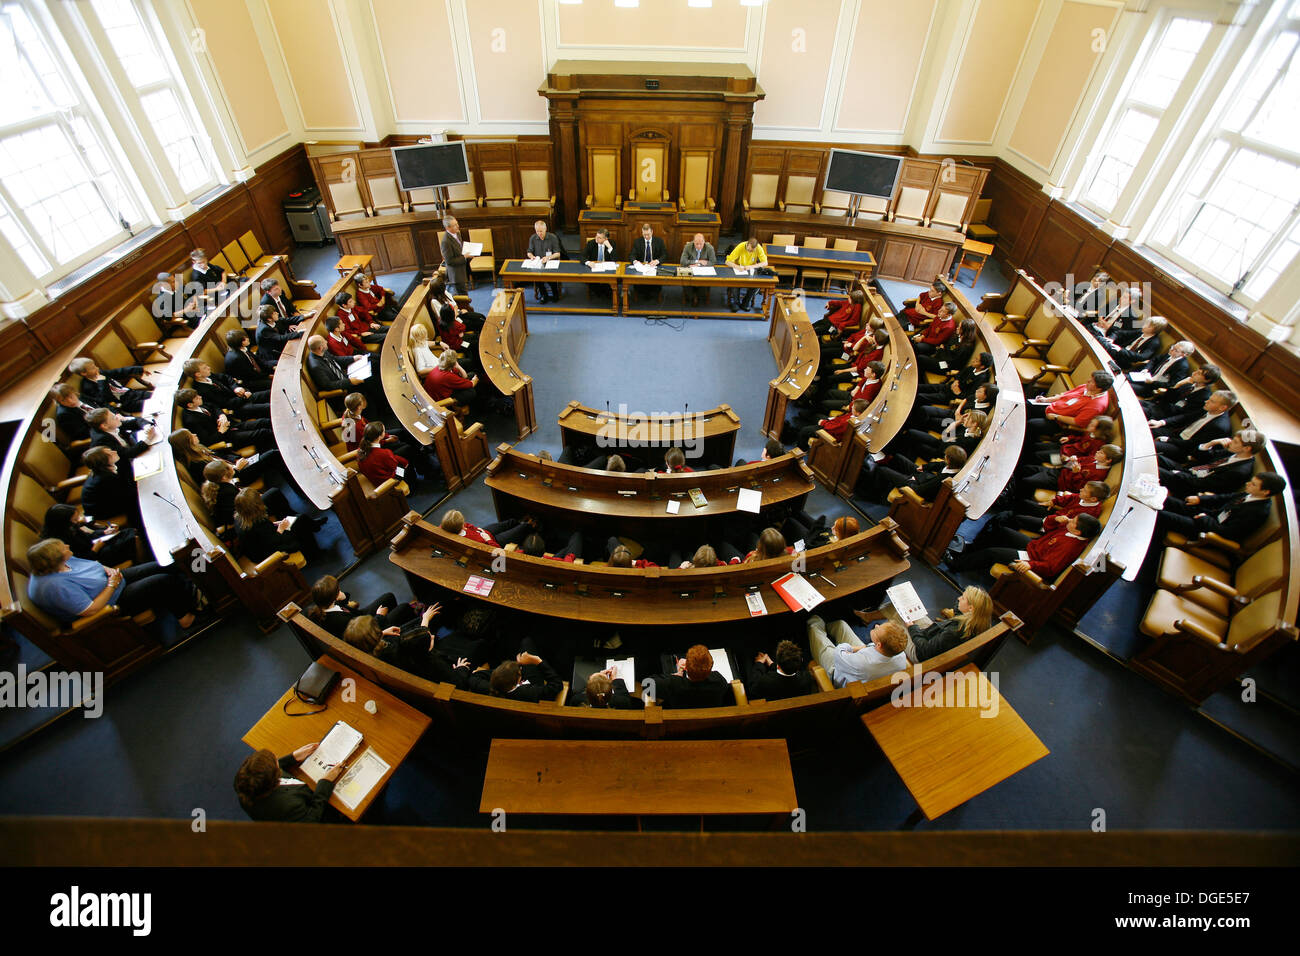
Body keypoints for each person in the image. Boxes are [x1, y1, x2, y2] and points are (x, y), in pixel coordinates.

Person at [25, 538, 200, 628]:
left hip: (112, 580)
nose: (67, 546)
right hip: (112, 602)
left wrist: (108, 570)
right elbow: (90, 610)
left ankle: (192, 594)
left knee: (164, 564)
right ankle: (184, 617)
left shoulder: (61, 561)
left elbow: (92, 564)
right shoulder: (54, 587)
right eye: (63, 547)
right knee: (163, 581)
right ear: (56, 558)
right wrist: (111, 585)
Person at [947, 512, 1101, 579]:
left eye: (1073, 521)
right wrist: (1056, 519)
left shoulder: (1069, 547)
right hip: (1035, 547)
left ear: (1078, 532)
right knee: (1001, 532)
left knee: (992, 553)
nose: (1070, 520)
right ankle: (968, 550)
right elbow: (1048, 526)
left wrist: (1030, 565)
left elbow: (1050, 567)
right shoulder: (1069, 529)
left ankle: (956, 564)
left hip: (1031, 559)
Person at [342, 611, 474, 687]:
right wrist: (461, 669)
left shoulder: (370, 659)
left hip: (420, 666)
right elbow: (456, 682)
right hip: (443, 672)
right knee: (479, 645)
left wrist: (382, 633)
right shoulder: (409, 653)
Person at [1155, 473, 1284, 543]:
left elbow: (1229, 532)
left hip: (1210, 530)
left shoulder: (1258, 512)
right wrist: (1200, 499)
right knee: (1167, 500)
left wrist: (1204, 519)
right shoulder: (1250, 493)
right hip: (1211, 515)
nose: (1247, 484)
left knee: (1161, 516)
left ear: (1266, 492)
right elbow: (1224, 498)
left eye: (1253, 484)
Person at [234, 744, 342, 823]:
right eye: (276, 761)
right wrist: (325, 783)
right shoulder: (288, 806)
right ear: (274, 781)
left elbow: (266, 771)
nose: (277, 758)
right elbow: (312, 818)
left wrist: (293, 757)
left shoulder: (245, 784)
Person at [807, 615, 908, 687]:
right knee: (841, 625)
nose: (876, 625)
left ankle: (815, 620)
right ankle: (829, 624)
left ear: (879, 644)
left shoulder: (860, 663)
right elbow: (869, 647)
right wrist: (861, 648)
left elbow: (839, 652)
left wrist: (853, 649)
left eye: (878, 629)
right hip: (864, 665)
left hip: (838, 673)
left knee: (814, 628)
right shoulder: (900, 655)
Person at [305, 574, 417, 639]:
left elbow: (347, 604)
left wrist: (342, 597)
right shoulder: (339, 620)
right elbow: (362, 631)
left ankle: (398, 623)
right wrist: (379, 616)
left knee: (388, 597)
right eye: (338, 590)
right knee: (404, 608)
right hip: (368, 630)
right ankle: (410, 630)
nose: (340, 590)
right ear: (332, 597)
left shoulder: (325, 605)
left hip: (360, 616)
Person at [1159, 430, 1263, 498]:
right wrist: (1212, 443)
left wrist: (1178, 474)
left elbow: (1205, 484)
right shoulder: (1232, 451)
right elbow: (1201, 456)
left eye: (1235, 442)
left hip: (1192, 486)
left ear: (1247, 448)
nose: (1230, 442)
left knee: (1157, 470)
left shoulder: (1239, 471)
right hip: (1190, 471)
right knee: (1157, 458)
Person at [905, 586, 993, 663]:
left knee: (892, 611)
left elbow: (926, 649)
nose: (959, 598)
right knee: (909, 611)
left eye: (963, 598)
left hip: (919, 652)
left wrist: (912, 628)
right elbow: (957, 610)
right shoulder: (976, 624)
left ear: (970, 608)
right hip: (932, 635)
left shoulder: (954, 632)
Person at [232, 488, 318, 563]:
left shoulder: (240, 517)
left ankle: (312, 525)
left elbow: (263, 534)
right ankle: (314, 553)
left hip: (261, 543)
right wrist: (281, 529)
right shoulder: (257, 524)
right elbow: (273, 541)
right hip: (266, 552)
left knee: (299, 520)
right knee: (300, 520)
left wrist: (274, 524)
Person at [40, 503, 141, 567]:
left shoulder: (71, 527)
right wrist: (95, 549)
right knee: (132, 539)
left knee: (130, 531)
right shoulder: (59, 542)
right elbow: (79, 562)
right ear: (64, 523)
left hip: (95, 546)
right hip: (94, 559)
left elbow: (88, 536)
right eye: (75, 520)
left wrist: (105, 532)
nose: (78, 521)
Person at [177, 387, 273, 451]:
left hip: (232, 425)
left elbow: (214, 407)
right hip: (227, 437)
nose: (200, 397)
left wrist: (221, 415)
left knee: (263, 421)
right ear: (190, 405)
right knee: (263, 432)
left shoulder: (200, 404)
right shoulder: (191, 421)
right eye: (197, 398)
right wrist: (221, 431)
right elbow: (207, 441)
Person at [1025, 370, 1113, 438]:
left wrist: (1056, 416)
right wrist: (1046, 400)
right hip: (1052, 407)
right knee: (1026, 406)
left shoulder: (1096, 406)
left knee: (1030, 424)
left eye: (1092, 381)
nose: (1088, 381)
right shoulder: (1087, 387)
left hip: (1058, 422)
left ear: (1099, 389)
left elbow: (1077, 422)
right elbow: (1064, 395)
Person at [472, 641, 562, 702]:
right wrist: (538, 661)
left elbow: (475, 676)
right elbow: (557, 685)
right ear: (519, 679)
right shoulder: (529, 693)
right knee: (527, 642)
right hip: (530, 686)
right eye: (520, 670)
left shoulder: (487, 687)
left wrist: (501, 674)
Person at [1151, 389, 1235, 455]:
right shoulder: (1209, 407)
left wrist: (1168, 440)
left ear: (1222, 407)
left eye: (1212, 401)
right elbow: (1185, 417)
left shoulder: (1219, 426)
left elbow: (1192, 444)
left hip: (1185, 449)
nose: (1206, 401)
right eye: (1209, 399)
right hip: (1178, 435)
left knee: (1151, 446)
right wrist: (1161, 422)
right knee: (1148, 430)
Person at [646, 645, 731, 709]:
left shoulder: (673, 684)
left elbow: (647, 685)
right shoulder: (719, 681)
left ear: (686, 668)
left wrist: (676, 675)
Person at [183, 360, 271, 418]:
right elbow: (225, 403)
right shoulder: (202, 390)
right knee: (268, 407)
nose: (209, 368)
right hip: (237, 407)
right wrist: (243, 397)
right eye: (205, 368)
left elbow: (226, 377)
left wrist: (235, 388)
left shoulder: (209, 375)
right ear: (198, 374)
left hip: (240, 396)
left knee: (269, 393)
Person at [80, 446, 141, 526]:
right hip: (104, 511)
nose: (115, 451)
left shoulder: (103, 470)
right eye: (110, 453)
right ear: (104, 461)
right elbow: (127, 496)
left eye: (111, 450)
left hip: (108, 501)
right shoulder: (105, 478)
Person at [69, 357, 151, 413]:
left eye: (95, 366)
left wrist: (140, 369)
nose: (97, 368)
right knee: (153, 404)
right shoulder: (87, 387)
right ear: (84, 373)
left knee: (157, 396)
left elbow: (117, 372)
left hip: (131, 393)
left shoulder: (100, 372)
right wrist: (101, 382)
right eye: (93, 368)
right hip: (125, 403)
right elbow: (104, 399)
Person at [747, 640, 817, 701]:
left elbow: (753, 688)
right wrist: (771, 663)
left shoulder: (766, 682)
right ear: (801, 660)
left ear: (778, 663)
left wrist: (759, 663)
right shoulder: (807, 679)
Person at [87, 408, 156, 463]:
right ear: (104, 426)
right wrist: (148, 439)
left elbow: (135, 421)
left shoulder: (111, 424)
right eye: (113, 417)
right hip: (127, 465)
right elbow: (128, 453)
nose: (117, 417)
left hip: (133, 447)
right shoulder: (102, 440)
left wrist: (146, 427)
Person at [438, 509, 532, 547]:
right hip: (493, 541)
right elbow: (496, 549)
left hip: (484, 532)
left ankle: (521, 522)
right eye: (462, 523)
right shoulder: (468, 542)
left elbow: (468, 525)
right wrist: (487, 539)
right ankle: (531, 525)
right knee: (523, 528)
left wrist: (476, 529)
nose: (464, 524)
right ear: (459, 527)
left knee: (510, 522)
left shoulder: (446, 526)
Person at [724, 236, 768, 312]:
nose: (750, 252)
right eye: (749, 250)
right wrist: (737, 267)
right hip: (739, 270)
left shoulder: (758, 248)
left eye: (752, 251)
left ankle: (746, 301)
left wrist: (752, 266)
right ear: (747, 245)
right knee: (735, 283)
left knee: (757, 285)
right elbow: (727, 262)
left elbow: (765, 262)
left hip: (751, 271)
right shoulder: (741, 246)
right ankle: (736, 302)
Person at [526, 219, 564, 302]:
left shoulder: (553, 237)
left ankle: (555, 293)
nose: (539, 233)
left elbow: (558, 253)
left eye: (541, 231)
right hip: (538, 263)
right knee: (538, 278)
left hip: (550, 261)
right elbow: (529, 252)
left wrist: (548, 258)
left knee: (550, 277)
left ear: (545, 229)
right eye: (537, 231)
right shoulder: (533, 238)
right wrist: (532, 257)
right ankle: (544, 295)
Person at [679, 233, 717, 308]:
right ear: (693, 242)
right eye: (697, 244)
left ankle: (698, 297)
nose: (699, 246)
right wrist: (697, 262)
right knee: (685, 281)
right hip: (691, 270)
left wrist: (700, 265)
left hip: (703, 271)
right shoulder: (688, 247)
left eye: (701, 244)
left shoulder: (709, 248)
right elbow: (682, 262)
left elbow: (713, 262)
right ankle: (692, 297)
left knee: (703, 284)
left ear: (704, 242)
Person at [579, 669, 645, 710]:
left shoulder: (577, 701)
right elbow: (624, 697)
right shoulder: (622, 703)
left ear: (586, 692)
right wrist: (615, 679)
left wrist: (595, 679)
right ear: (611, 694)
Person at [440, 216, 469, 294]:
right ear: (448, 228)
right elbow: (449, 261)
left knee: (464, 293)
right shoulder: (445, 242)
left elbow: (459, 247)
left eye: (457, 223)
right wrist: (464, 257)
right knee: (462, 296)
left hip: (462, 269)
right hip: (456, 274)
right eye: (455, 225)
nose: (458, 226)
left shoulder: (457, 233)